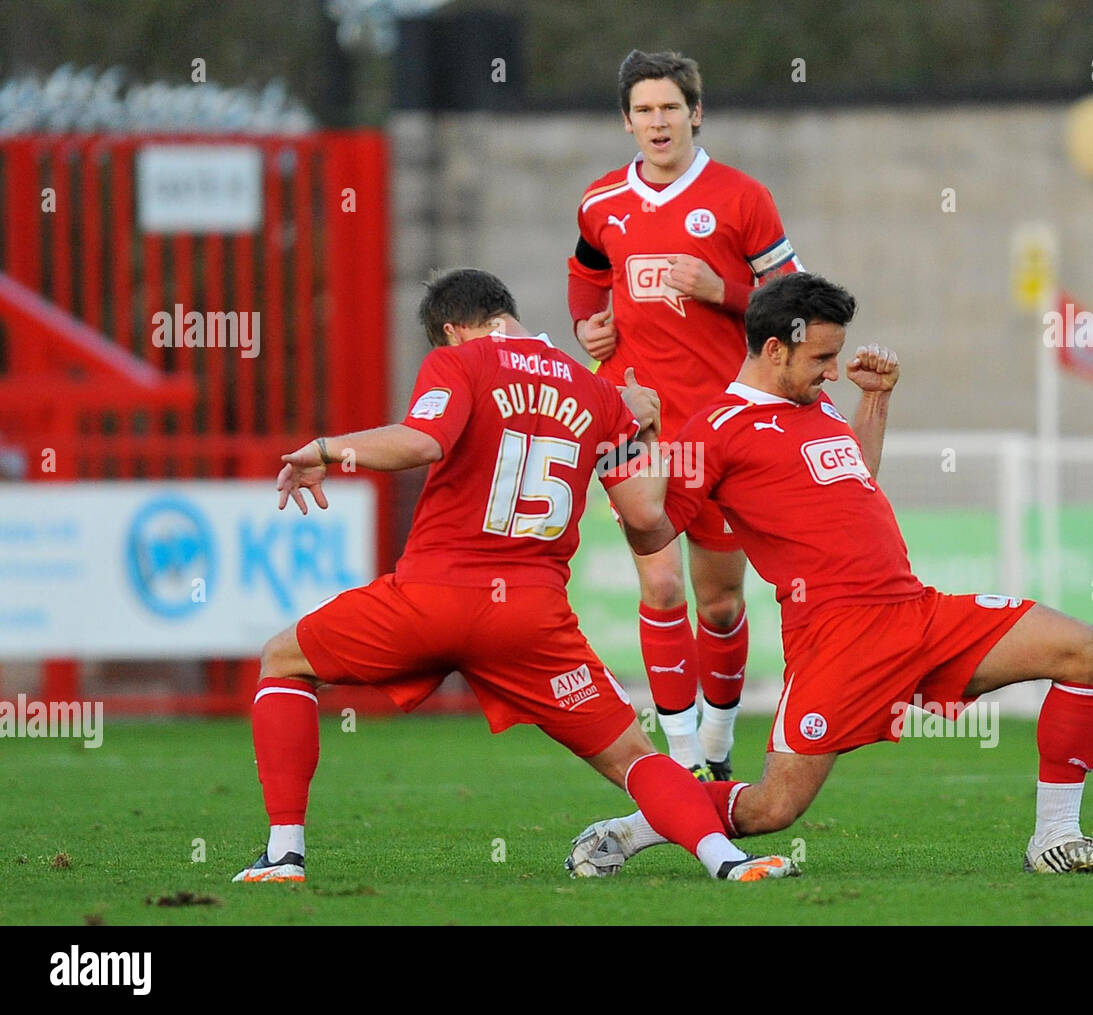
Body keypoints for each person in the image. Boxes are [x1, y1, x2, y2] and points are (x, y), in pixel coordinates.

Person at [231, 268, 796, 884]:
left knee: (284, 659)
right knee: (635, 759)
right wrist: (648, 430)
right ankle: (728, 861)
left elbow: (421, 442)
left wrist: (323, 450)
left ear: (453, 330)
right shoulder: (596, 392)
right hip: (531, 622)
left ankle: (284, 855)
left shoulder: (462, 362)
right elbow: (646, 515)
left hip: (431, 598)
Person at [566, 272, 1093, 877]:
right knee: (770, 808)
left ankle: (1057, 837)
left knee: (1086, 651)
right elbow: (651, 530)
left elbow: (856, 478)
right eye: (822, 358)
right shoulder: (715, 430)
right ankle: (634, 828)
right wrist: (632, 441)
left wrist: (876, 399)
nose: (833, 371)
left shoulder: (821, 405)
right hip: (837, 640)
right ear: (775, 349)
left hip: (916, 612)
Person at [567, 49, 803, 780]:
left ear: (695, 113)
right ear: (627, 120)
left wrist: (723, 288)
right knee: (660, 586)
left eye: (671, 107)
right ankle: (677, 762)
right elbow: (586, 271)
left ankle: (718, 741)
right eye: (644, 110)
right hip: (634, 421)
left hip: (720, 426)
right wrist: (586, 327)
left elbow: (790, 303)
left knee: (722, 602)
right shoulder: (602, 201)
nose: (658, 122)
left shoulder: (741, 197)